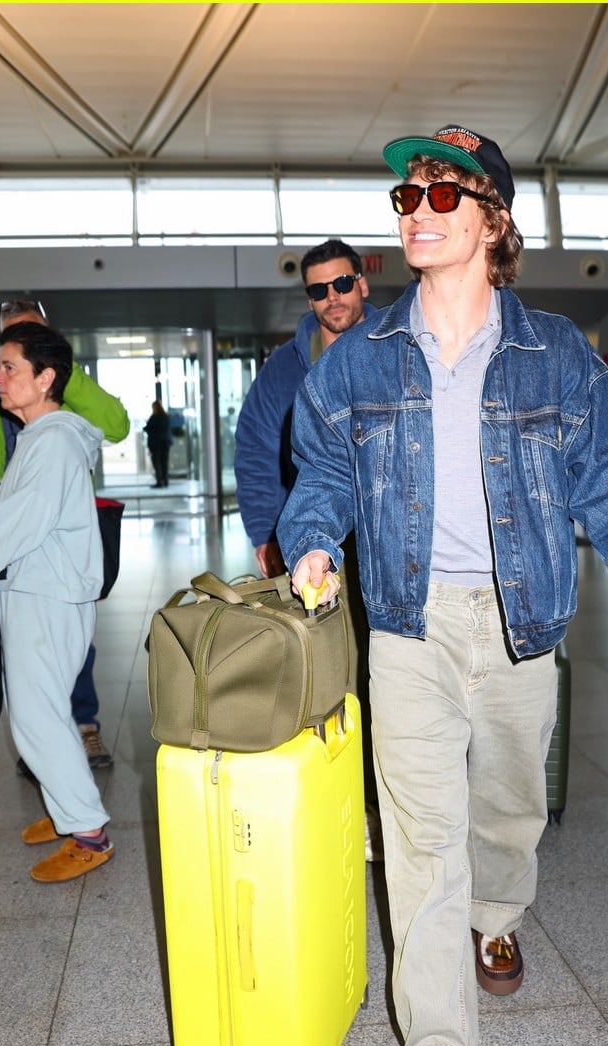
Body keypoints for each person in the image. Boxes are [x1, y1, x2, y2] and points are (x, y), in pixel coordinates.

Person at [276, 123, 608, 1046]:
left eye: (439, 196)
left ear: (492, 220)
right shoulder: (361, 356)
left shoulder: (552, 353)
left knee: (508, 804)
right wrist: (310, 540)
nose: (415, 213)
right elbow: (322, 466)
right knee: (419, 842)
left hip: (522, 621)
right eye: (405, 198)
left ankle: (500, 908)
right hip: (408, 625)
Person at [0, 298, 130, 770]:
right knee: (9, 653)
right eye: (12, 340)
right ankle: (43, 748)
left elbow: (116, 425)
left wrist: (61, 377)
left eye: (33, 336)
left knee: (64, 650)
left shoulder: (60, 396)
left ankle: (81, 728)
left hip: (47, 551)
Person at [0, 323, 114, 883]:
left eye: (9, 367)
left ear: (45, 379)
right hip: (41, 590)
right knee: (41, 711)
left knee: (39, 716)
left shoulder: (54, 443)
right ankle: (69, 811)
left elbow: (15, 526)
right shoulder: (41, 439)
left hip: (48, 594)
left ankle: (88, 833)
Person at [233, 238, 381, 858]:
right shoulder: (287, 368)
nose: (331, 299)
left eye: (341, 284)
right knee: (326, 668)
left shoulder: (395, 346)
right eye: (317, 290)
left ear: (363, 284)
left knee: (384, 675)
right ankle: (334, 795)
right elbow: (255, 447)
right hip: (313, 545)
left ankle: (381, 802)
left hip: (384, 542)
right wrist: (268, 533)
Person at [144, 398, 173, 487]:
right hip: (165, 443)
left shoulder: (154, 417)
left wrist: (146, 428)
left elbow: (148, 428)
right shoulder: (166, 417)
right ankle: (165, 481)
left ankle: (160, 482)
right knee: (164, 463)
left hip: (156, 444)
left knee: (157, 463)